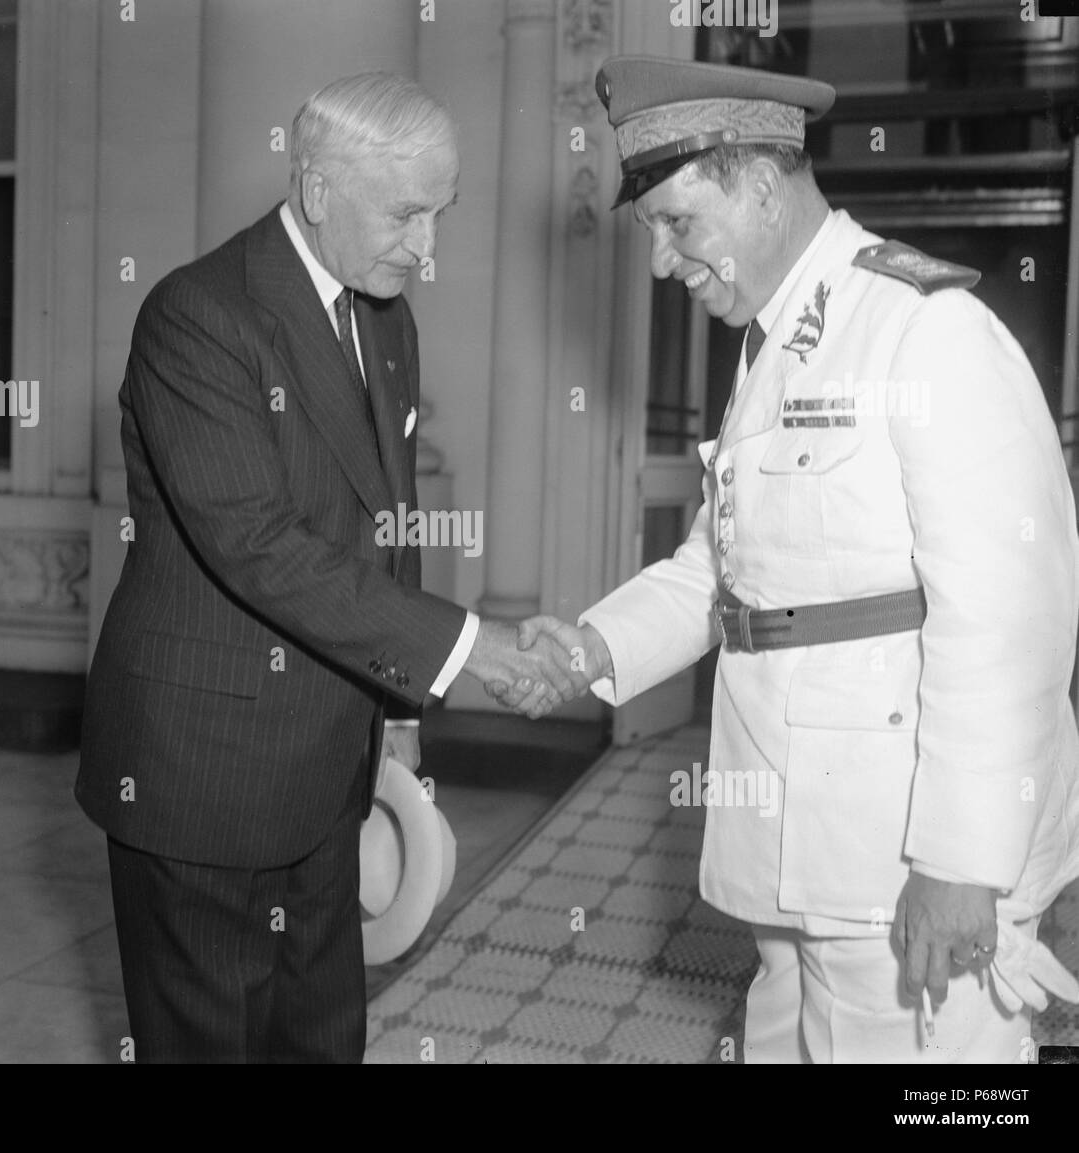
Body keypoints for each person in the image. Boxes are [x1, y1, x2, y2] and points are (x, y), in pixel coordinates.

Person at [509, 54, 1079, 1062]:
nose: (660, 264)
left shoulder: (922, 331)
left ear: (762, 186)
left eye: (677, 225)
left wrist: (961, 860)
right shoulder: (774, 345)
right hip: (794, 845)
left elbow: (1008, 617)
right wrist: (591, 650)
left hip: (901, 859)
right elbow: (723, 566)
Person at [75, 72, 587, 1064]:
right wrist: (470, 648)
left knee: (320, 1037)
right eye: (407, 216)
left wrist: (394, 722)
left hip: (327, 762)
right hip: (201, 774)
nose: (428, 249)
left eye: (442, 216)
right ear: (317, 191)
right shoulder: (199, 316)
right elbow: (259, 548)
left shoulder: (385, 316)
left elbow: (385, 525)